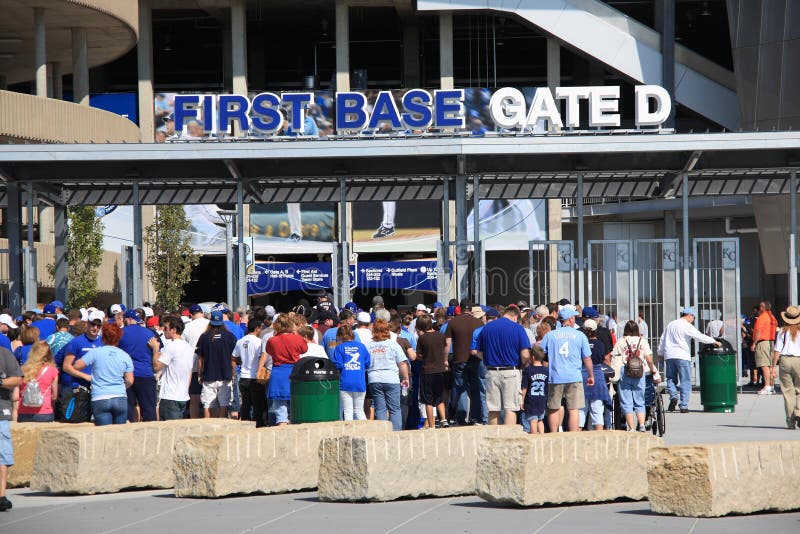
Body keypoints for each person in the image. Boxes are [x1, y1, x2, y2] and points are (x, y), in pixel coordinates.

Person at [476, 306, 531, 426]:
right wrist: (522, 364)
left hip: (491, 372)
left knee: (493, 409)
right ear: (515, 317)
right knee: (510, 408)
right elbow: (525, 354)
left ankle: (493, 438)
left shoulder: (487, 328)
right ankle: (508, 439)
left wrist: (490, 360)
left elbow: (479, 352)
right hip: (511, 371)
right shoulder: (518, 328)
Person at [658, 308, 720, 412]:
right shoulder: (686, 325)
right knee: (685, 380)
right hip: (682, 355)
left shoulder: (670, 324)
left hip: (669, 356)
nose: (693, 320)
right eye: (694, 318)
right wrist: (713, 341)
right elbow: (699, 336)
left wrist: (660, 353)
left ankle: (673, 396)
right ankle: (683, 405)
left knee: (670, 379)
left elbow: (662, 339)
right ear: (690, 315)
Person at [541, 308, 593, 432]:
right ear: (570, 319)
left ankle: (554, 434)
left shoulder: (550, 335)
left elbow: (540, 352)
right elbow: (587, 358)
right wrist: (591, 375)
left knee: (554, 408)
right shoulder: (580, 335)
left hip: (556, 375)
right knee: (573, 409)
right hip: (574, 376)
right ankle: (573, 436)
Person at [73, 323, 134, 426]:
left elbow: (76, 366)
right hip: (120, 396)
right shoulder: (125, 355)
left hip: (100, 396)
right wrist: (122, 387)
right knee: (120, 433)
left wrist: (89, 376)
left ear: (103, 337)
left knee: (104, 434)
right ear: (119, 338)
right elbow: (130, 380)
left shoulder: (96, 352)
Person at [611, 321, 660, 431]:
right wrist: (653, 371)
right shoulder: (642, 341)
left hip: (625, 371)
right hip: (639, 372)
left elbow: (614, 357)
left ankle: (631, 428)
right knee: (640, 400)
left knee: (626, 402)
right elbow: (649, 360)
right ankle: (642, 424)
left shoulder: (621, 341)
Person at [366, 319, 409, 431]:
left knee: (380, 408)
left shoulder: (369, 345)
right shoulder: (393, 344)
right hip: (391, 378)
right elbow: (402, 363)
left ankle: (382, 433)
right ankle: (395, 432)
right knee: (394, 408)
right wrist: (405, 378)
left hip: (374, 379)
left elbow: (365, 363)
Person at [445, 300, 483, 426]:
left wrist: (445, 359)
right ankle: (476, 417)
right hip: (475, 359)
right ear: (471, 309)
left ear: (460, 309)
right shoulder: (478, 322)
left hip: (459, 359)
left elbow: (448, 343)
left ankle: (461, 418)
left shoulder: (453, 322)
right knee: (475, 389)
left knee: (461, 389)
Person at [265, 314, 307, 425]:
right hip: (294, 372)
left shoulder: (272, 340)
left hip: (278, 372)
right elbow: (304, 349)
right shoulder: (297, 338)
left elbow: (269, 351)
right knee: (295, 407)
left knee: (280, 410)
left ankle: (281, 427)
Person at [150, 316, 194, 421]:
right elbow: (190, 371)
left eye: (166, 328)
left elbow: (156, 367)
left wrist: (155, 349)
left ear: (174, 330)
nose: (163, 330)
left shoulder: (172, 346)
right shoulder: (188, 347)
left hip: (170, 397)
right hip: (182, 396)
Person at [196, 311, 237, 419]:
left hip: (209, 375)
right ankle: (221, 427)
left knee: (207, 404)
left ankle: (207, 428)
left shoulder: (204, 337)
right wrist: (233, 373)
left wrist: (199, 374)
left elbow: (200, 358)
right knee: (224, 404)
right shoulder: (230, 336)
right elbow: (234, 358)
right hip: (225, 375)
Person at [119, 310, 157, 422]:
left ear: (129, 319)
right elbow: (156, 351)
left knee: (127, 409)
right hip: (145, 374)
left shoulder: (120, 333)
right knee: (149, 409)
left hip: (126, 375)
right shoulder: (149, 333)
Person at [331, 324, 371, 420]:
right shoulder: (361, 346)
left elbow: (338, 365)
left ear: (340, 335)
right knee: (359, 410)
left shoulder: (339, 348)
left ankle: (349, 433)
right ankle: (365, 432)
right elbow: (367, 363)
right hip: (360, 381)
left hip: (345, 381)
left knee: (347, 410)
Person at [232, 318, 268, 426]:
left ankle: (245, 426)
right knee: (258, 405)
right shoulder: (259, 342)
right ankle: (258, 426)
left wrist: (233, 372)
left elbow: (233, 357)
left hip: (243, 377)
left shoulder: (240, 341)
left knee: (245, 404)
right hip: (255, 377)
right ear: (257, 328)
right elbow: (262, 357)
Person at [416, 315, 449, 429]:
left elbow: (418, 356)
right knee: (439, 397)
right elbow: (445, 348)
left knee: (428, 400)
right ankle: (444, 419)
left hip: (427, 371)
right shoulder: (441, 335)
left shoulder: (422, 338)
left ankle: (432, 425)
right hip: (440, 370)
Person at [0, 343, 22, 511]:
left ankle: (1, 496)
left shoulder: (5, 354)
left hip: (1, 412)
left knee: (2, 456)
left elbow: (17, 379)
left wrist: (0, 381)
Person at [580, 320, 612, 431]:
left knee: (581, 410)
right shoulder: (600, 344)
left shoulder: (581, 342)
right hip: (597, 375)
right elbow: (606, 359)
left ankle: (576, 437)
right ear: (595, 331)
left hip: (582, 374)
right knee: (597, 410)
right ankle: (599, 437)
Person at [17, 341, 59, 423]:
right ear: (49, 354)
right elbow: (54, 396)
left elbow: (16, 395)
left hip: (24, 411)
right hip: (44, 412)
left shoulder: (22, 370)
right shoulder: (53, 370)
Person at [773, 306, 800, 429]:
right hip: (799, 360)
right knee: (799, 389)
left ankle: (790, 421)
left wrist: (773, 366)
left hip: (785, 360)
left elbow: (777, 350)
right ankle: (798, 412)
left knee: (788, 391)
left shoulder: (782, 332)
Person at [182, 304, 209, 418]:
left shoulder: (187, 327)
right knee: (210, 399)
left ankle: (195, 422)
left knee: (194, 398)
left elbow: (183, 346)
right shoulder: (209, 324)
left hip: (193, 365)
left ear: (191, 315)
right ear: (202, 313)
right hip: (208, 365)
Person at [520, 346, 549, 434]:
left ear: (532, 357)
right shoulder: (546, 370)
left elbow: (525, 387)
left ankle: (534, 438)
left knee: (533, 421)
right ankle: (542, 437)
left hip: (531, 400)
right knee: (540, 420)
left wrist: (522, 400)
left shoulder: (528, 370)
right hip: (542, 398)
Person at [752, 301, 778, 395]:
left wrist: (754, 343)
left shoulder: (762, 318)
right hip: (771, 342)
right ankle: (771, 386)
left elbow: (758, 332)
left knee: (764, 365)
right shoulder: (773, 318)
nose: (759, 308)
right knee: (770, 365)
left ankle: (767, 386)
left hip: (762, 342)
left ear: (763, 307)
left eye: (760, 307)